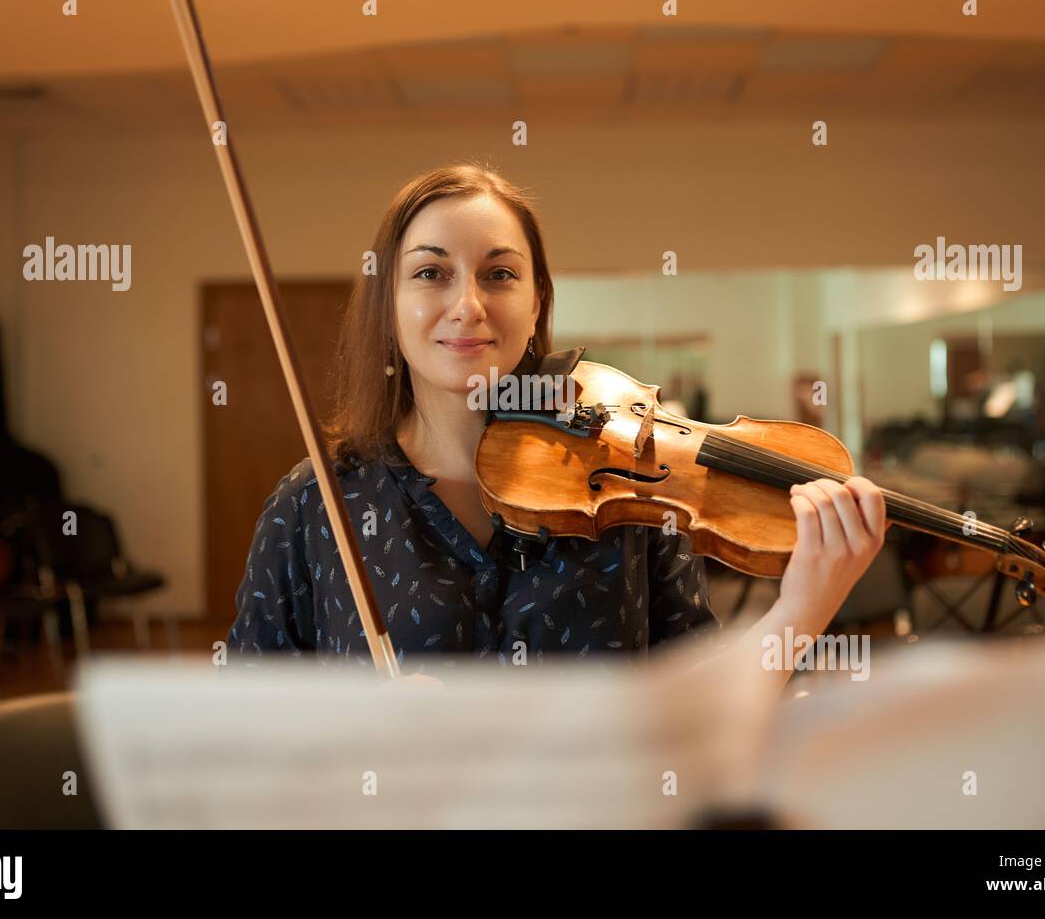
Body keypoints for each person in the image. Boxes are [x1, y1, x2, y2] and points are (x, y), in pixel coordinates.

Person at [228, 162, 885, 684]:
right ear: (388, 305)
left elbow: (695, 707)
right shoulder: (314, 505)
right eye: (431, 273)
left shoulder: (630, 495)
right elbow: (238, 724)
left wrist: (799, 614)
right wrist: (359, 726)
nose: (468, 304)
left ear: (537, 299)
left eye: (499, 274)